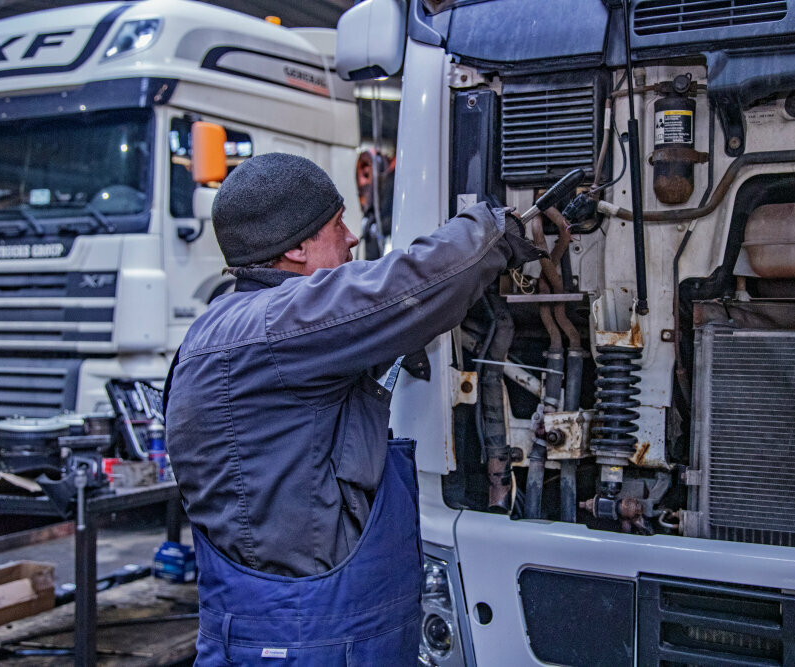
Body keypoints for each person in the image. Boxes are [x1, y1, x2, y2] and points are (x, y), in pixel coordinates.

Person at [164, 153, 541, 665]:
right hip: (306, 637)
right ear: (295, 246)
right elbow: (409, 286)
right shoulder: (280, 321)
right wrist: (497, 227)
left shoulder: (226, 325)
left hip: (300, 626)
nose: (351, 237)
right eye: (336, 224)